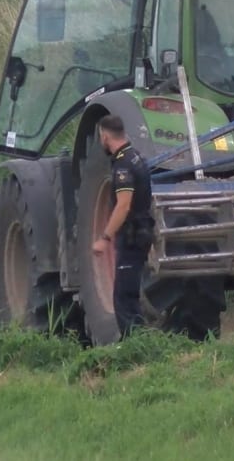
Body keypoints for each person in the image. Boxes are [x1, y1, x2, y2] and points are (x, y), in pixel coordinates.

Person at [91, 115, 154, 338]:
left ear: (105, 136)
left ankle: (135, 345)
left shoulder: (123, 166)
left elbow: (123, 206)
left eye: (101, 136)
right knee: (129, 293)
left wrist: (105, 238)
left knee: (124, 297)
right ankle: (138, 343)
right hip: (141, 232)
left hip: (132, 236)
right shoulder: (136, 157)